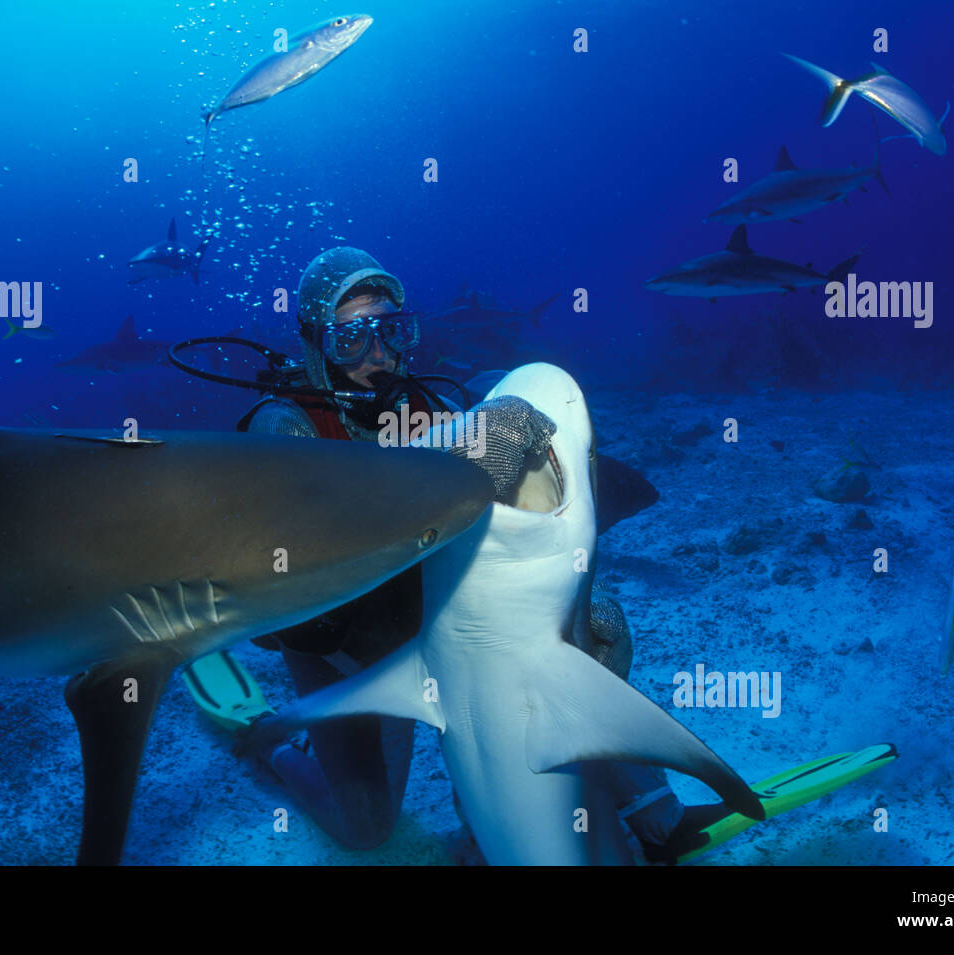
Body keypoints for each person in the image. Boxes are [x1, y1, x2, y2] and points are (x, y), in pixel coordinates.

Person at [211, 246, 717, 860]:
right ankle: (275, 741)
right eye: (350, 341)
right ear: (317, 345)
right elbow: (305, 558)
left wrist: (576, 605)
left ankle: (646, 810)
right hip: (344, 650)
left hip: (436, 627)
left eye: (391, 331)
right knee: (366, 829)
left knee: (564, 661)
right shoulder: (285, 428)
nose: (377, 356)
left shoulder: (432, 409)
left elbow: (508, 517)